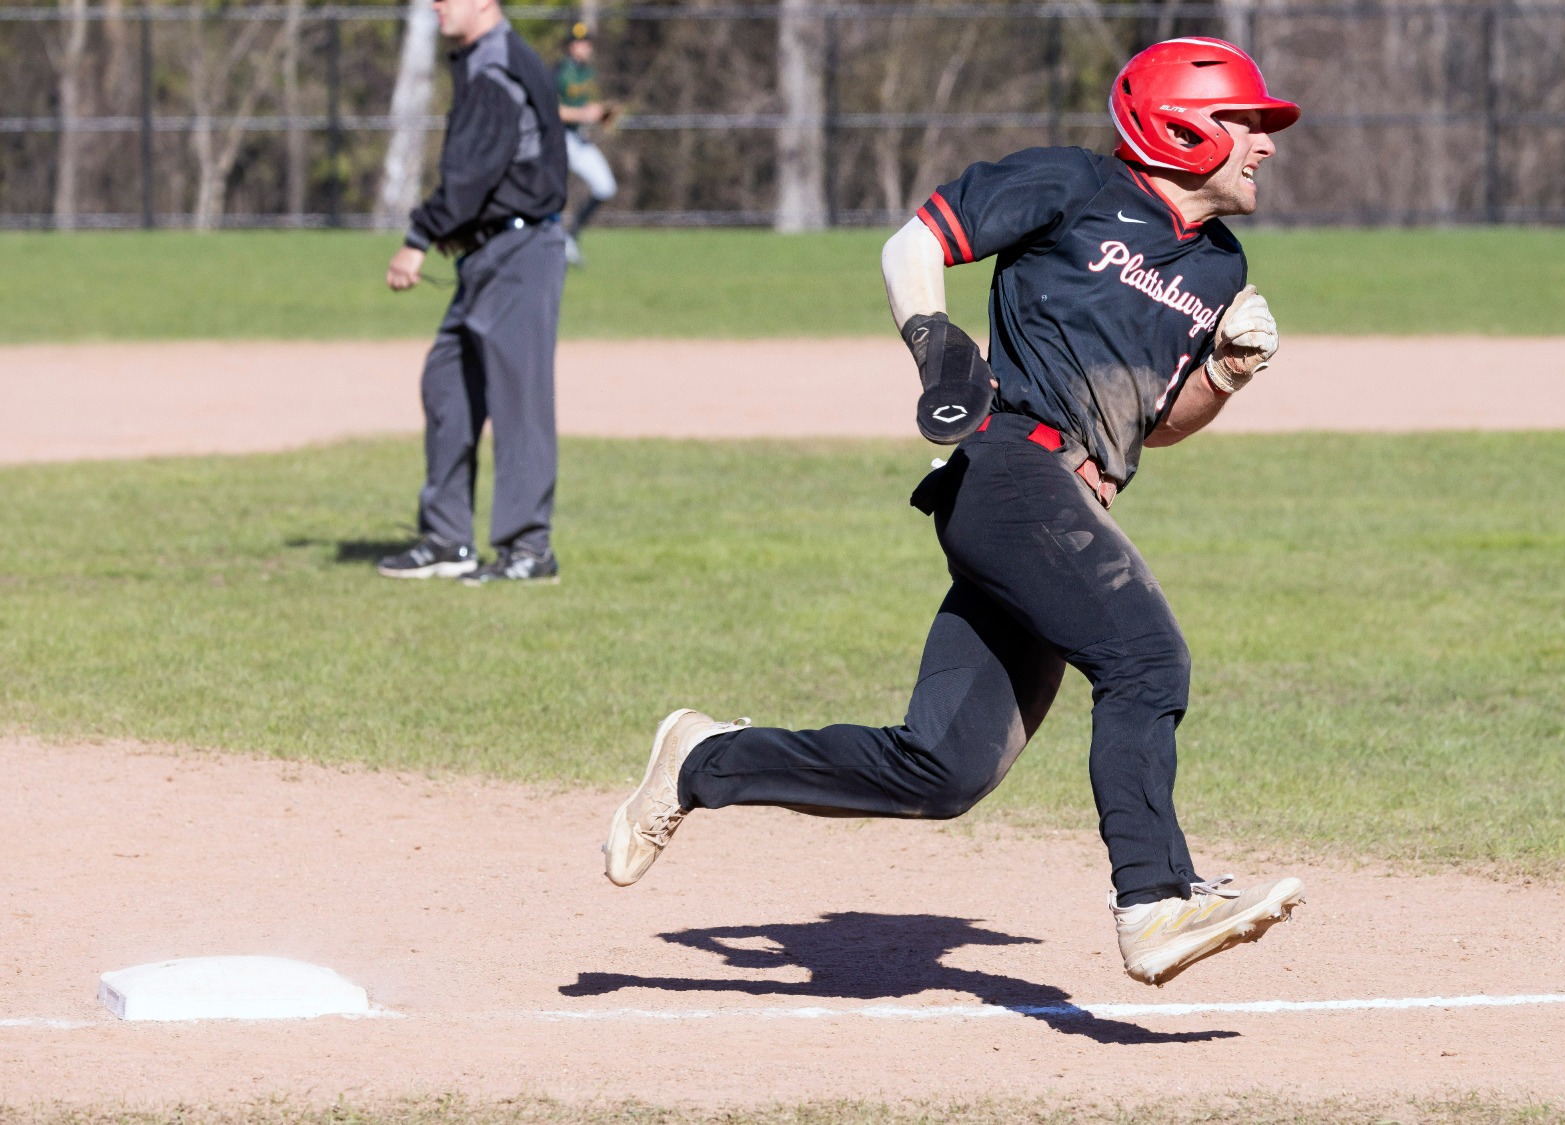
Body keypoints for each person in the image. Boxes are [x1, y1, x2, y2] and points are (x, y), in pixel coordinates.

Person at [601, 37, 1302, 987]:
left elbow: (1158, 424)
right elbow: (914, 244)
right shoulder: (1075, 184)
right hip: (1008, 472)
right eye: (1246, 122)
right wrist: (937, 349)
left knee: (941, 771)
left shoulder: (1219, 264)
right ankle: (1154, 897)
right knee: (1145, 657)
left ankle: (703, 761)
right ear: (1181, 124)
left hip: (1070, 504)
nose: (1265, 143)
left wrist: (1224, 373)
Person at [377, 0, 568, 585]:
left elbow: (473, 170)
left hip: (519, 253)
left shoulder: (497, 65)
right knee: (447, 383)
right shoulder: (479, 58)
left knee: (518, 401)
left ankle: (528, 550)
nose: (437, 3)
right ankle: (447, 539)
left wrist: (420, 236)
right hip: (487, 252)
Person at [553, 22, 617, 267]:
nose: (584, 46)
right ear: (570, 45)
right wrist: (583, 114)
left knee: (606, 186)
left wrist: (602, 113)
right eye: (579, 42)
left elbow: (587, 106)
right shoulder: (559, 71)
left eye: (587, 42)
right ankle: (551, 243)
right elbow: (550, 109)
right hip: (558, 139)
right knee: (552, 195)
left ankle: (570, 237)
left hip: (579, 139)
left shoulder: (588, 72)